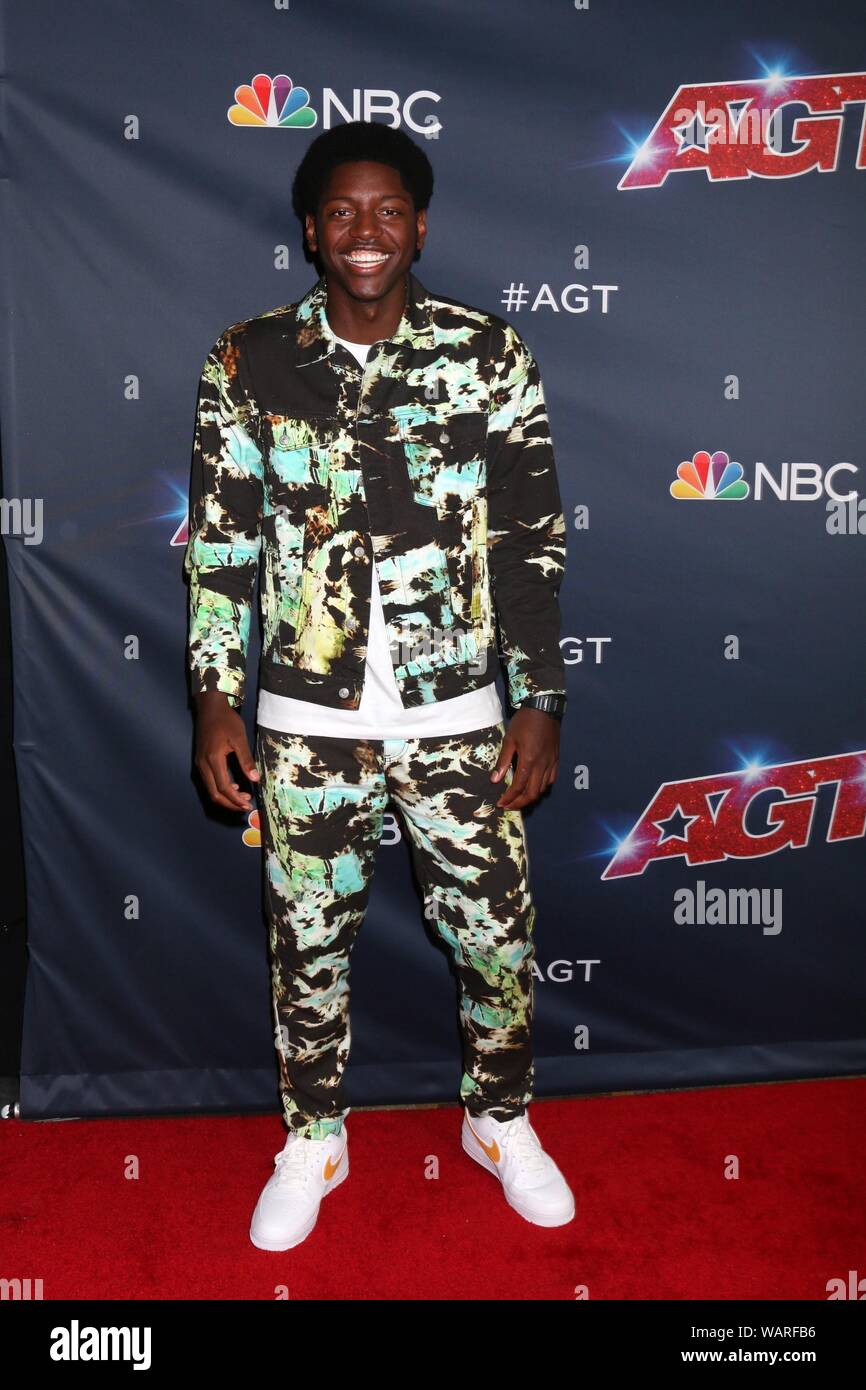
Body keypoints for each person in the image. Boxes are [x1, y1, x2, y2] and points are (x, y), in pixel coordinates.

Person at [183, 120, 573, 1251]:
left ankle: (498, 1119)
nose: (367, 231)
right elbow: (221, 547)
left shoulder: (488, 354)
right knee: (306, 942)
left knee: (494, 932)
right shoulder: (247, 359)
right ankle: (314, 1137)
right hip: (306, 717)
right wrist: (214, 696)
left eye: (388, 210)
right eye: (343, 212)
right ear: (311, 231)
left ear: (420, 227)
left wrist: (538, 698)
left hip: (459, 713)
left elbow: (528, 543)